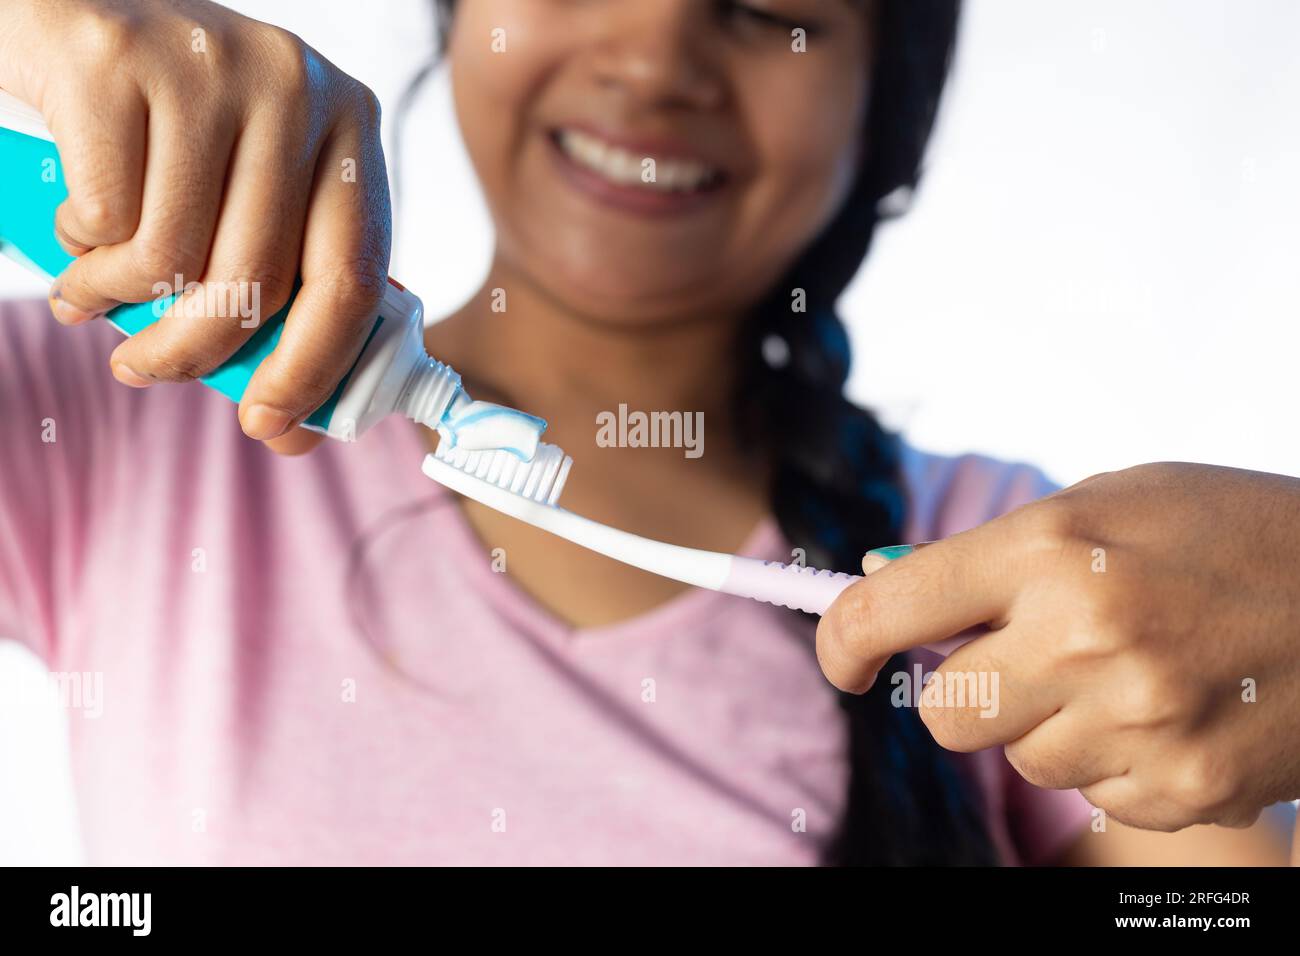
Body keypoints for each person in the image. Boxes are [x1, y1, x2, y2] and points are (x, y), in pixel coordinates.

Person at [0, 0, 1290, 864]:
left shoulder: (1032, 583)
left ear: (885, 111)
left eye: (767, 9)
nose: (655, 58)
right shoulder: (120, 388)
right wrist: (38, 32)